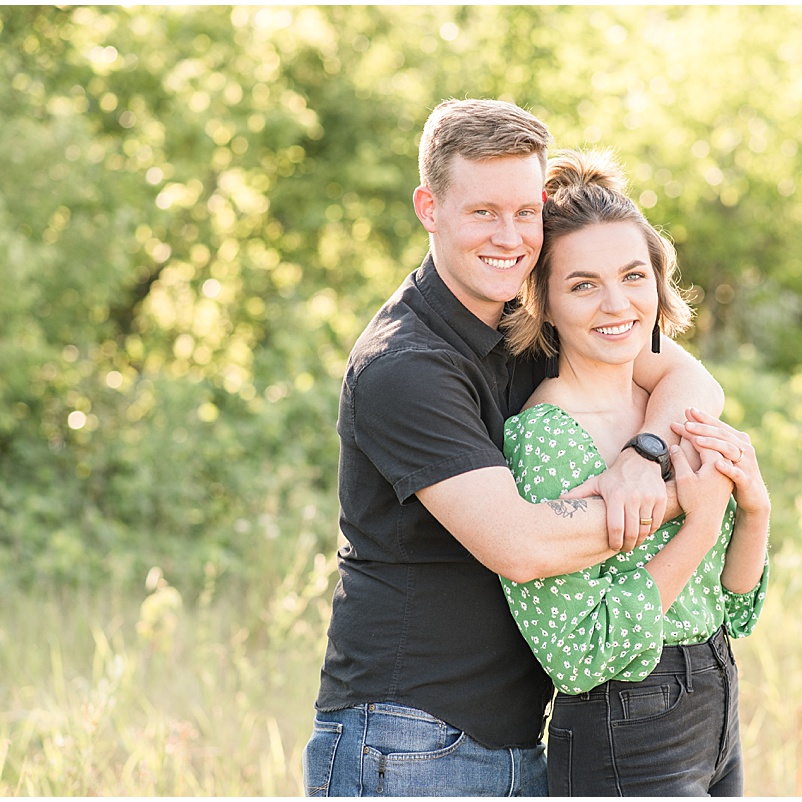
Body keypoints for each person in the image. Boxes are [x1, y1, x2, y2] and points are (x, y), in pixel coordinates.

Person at [303, 99, 727, 797]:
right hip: (408, 737)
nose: (509, 236)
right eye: (483, 212)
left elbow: (690, 378)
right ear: (429, 208)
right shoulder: (405, 366)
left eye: (526, 212)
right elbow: (521, 545)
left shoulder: (528, 320)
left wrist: (643, 455)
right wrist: (686, 496)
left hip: (519, 732)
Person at [498, 149, 771, 796]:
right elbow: (576, 652)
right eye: (583, 285)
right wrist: (698, 526)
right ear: (544, 303)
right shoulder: (547, 438)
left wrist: (755, 510)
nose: (616, 303)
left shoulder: (668, 410)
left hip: (716, 691)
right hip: (628, 723)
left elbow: (735, 605)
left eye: (633, 276)